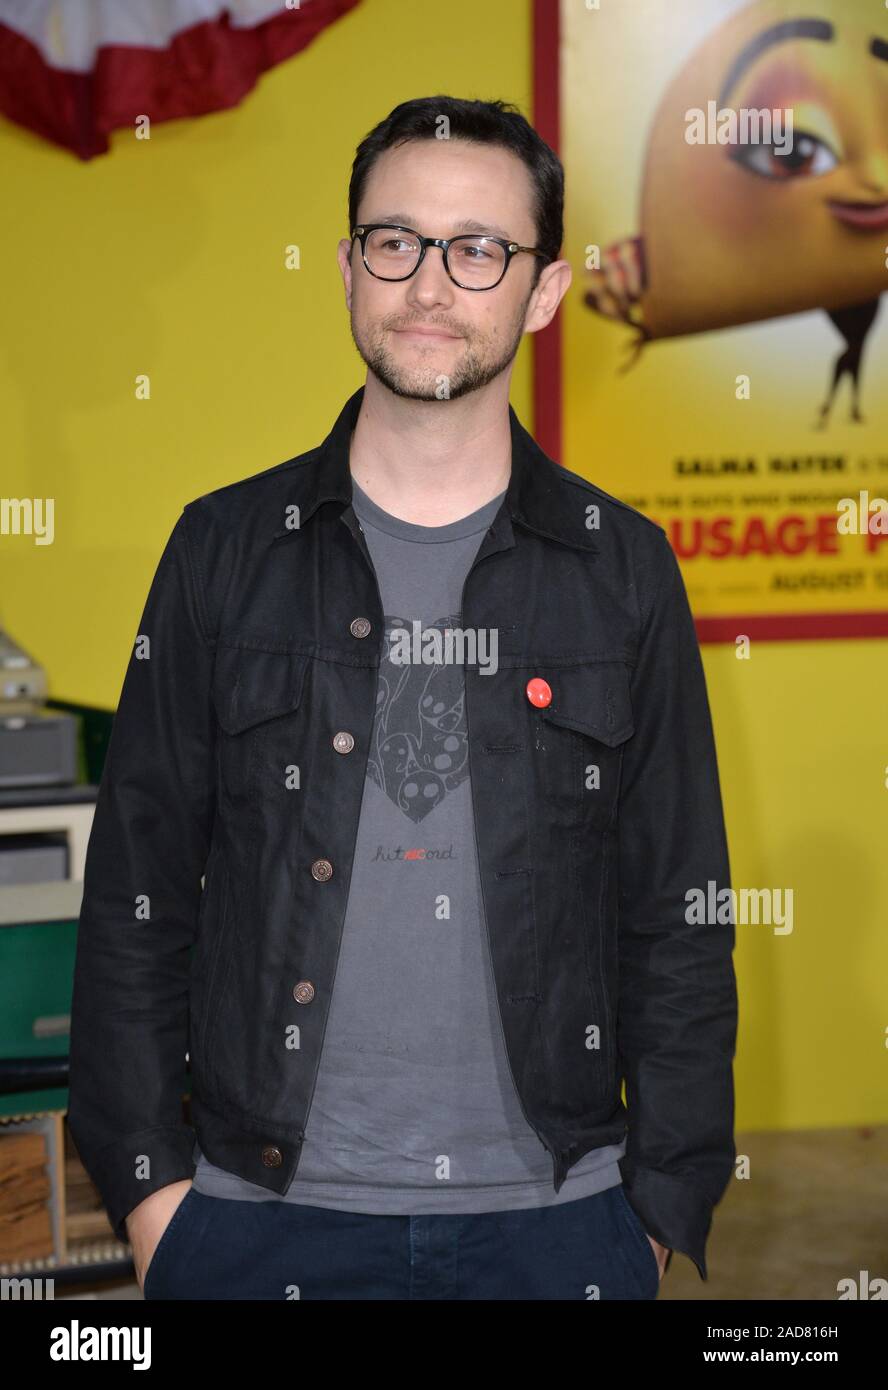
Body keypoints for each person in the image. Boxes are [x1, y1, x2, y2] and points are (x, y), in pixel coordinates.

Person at [67, 95, 738, 1301]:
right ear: (347, 270)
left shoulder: (622, 569)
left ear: (542, 292)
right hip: (252, 1221)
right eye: (397, 242)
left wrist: (657, 1205)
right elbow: (135, 891)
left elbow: (681, 913)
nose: (431, 283)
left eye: (479, 248)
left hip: (562, 1223)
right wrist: (151, 1193)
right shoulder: (223, 550)